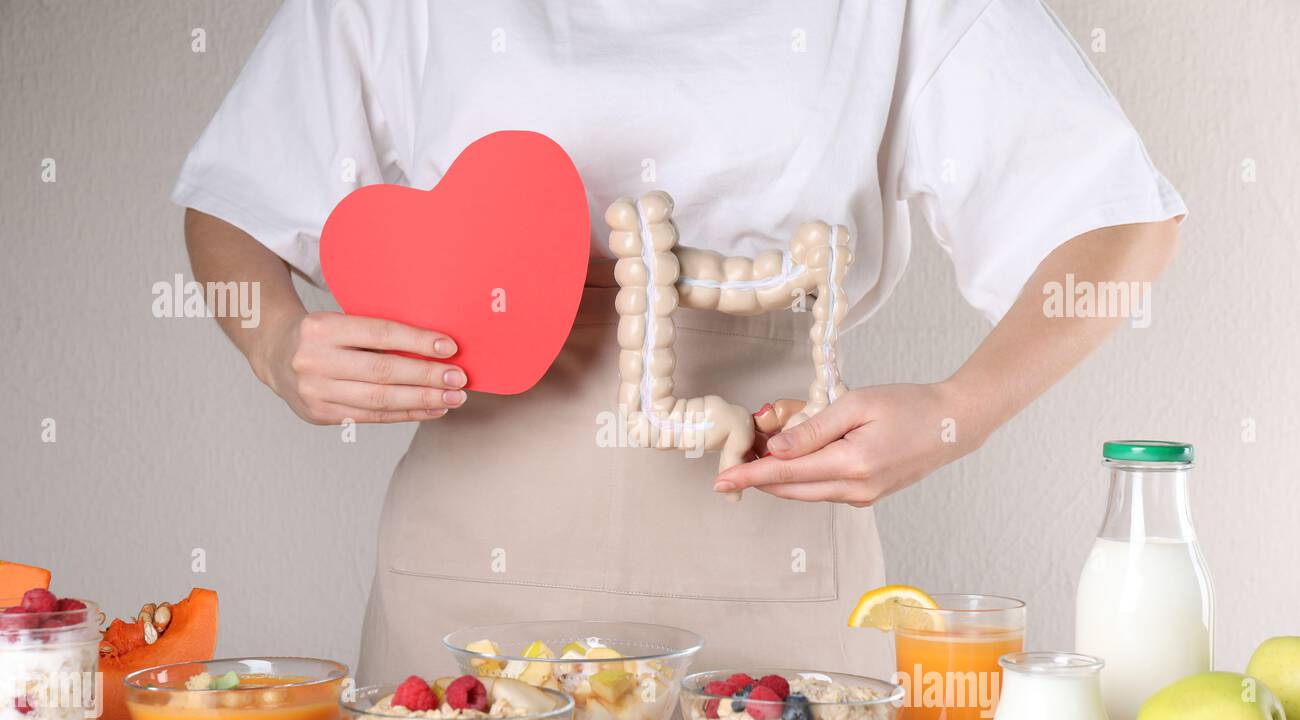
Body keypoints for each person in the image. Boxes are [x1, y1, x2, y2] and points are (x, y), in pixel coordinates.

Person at [175, 1, 1183, 682]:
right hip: (467, 581)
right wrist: (275, 342)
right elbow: (235, 206)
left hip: (772, 543)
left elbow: (1116, 220)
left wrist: (959, 413)